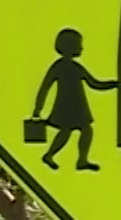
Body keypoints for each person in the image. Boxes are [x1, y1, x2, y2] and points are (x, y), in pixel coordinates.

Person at [32, 27, 117, 172]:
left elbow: (94, 83)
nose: (81, 48)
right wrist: (38, 107)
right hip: (66, 106)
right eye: (79, 44)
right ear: (69, 46)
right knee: (68, 131)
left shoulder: (76, 67)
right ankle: (51, 155)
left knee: (83, 130)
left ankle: (80, 160)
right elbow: (45, 86)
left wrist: (112, 84)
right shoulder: (59, 66)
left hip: (77, 106)